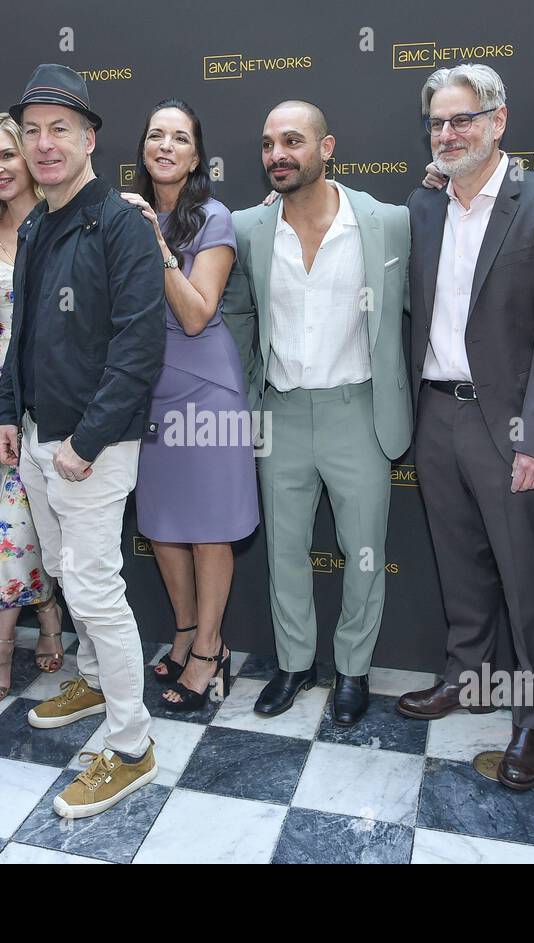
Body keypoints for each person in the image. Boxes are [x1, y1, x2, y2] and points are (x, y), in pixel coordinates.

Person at [396, 65, 534, 793]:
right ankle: (465, 680)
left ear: (499, 121)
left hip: (510, 422)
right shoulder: (424, 206)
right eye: (439, 124)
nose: (449, 134)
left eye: (464, 120)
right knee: (459, 564)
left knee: (528, 580)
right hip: (437, 412)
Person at [0, 64, 165, 818]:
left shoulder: (123, 223)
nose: (43, 143)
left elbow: (138, 348)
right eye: (31, 130)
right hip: (35, 437)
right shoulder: (34, 222)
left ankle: (131, 744)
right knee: (65, 571)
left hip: (92, 445)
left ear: (90, 137)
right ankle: (95, 679)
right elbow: (19, 333)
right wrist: (7, 410)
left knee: (93, 585)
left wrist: (86, 442)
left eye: (59, 128)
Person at [222, 101, 411, 726]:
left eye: (293, 141)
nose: (278, 153)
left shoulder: (384, 222)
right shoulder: (249, 228)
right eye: (270, 142)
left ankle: (353, 670)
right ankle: (294, 662)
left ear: (326, 147)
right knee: (285, 551)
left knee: (362, 551)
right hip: (279, 411)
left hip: (358, 409)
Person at [120, 99, 257, 712]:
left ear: (197, 155)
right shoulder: (122, 217)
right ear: (144, 149)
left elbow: (198, 312)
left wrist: (155, 239)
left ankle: (209, 649)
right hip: (147, 388)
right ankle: (181, 632)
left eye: (180, 138)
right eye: (156, 135)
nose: (166, 146)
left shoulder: (214, 218)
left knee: (208, 528)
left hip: (204, 388)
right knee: (165, 526)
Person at [0, 111, 64, 708]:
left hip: (46, 389)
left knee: (21, 516)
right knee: (17, 516)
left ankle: (1, 642)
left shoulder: (61, 218)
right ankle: (47, 616)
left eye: (9, 154)